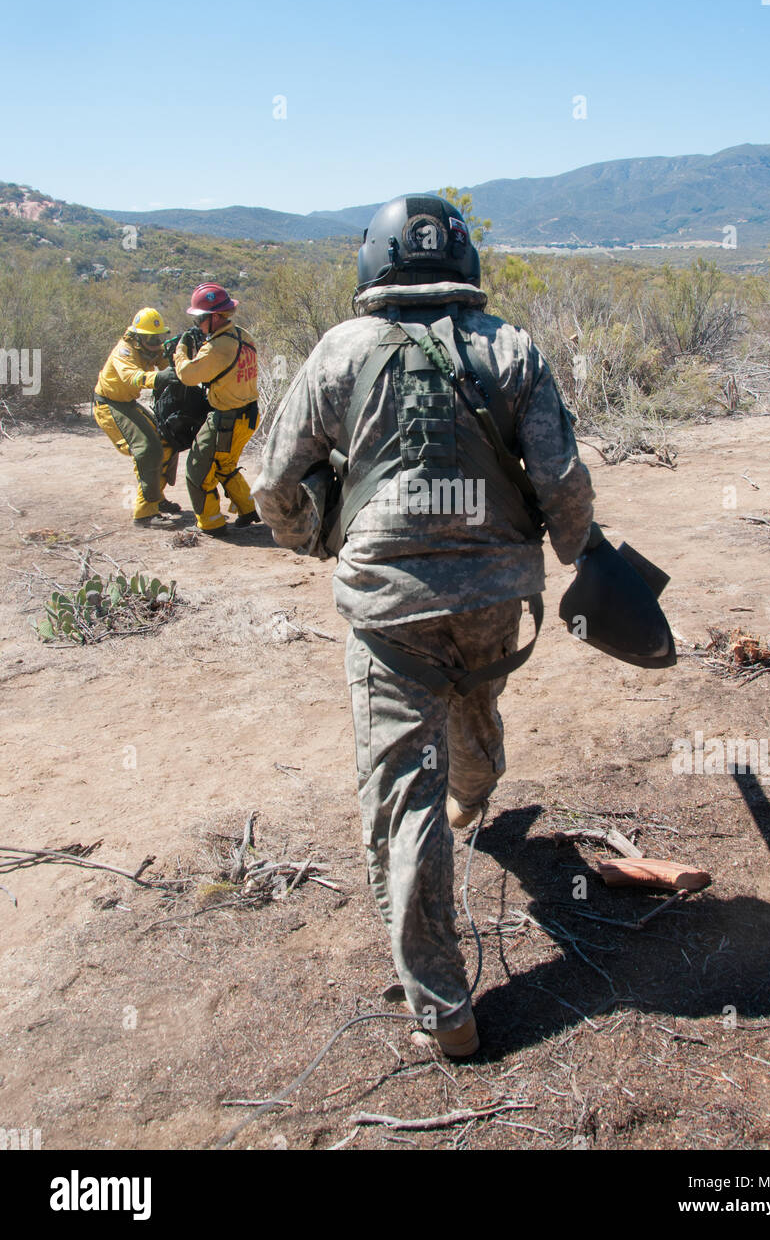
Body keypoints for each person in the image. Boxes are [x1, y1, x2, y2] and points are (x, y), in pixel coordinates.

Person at [253, 196, 595, 1057]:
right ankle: (475, 796)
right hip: (495, 600)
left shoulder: (340, 350)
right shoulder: (509, 345)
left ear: (374, 263)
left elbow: (274, 480)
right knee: (472, 702)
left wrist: (310, 538)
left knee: (401, 796)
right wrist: (573, 550)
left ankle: (445, 1012)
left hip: (388, 608)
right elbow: (559, 475)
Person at [173, 283, 261, 537]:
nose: (197, 324)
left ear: (214, 317)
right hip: (248, 416)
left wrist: (181, 350)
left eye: (200, 319)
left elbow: (188, 375)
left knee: (197, 470)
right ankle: (247, 507)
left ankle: (211, 523)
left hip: (227, 419)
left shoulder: (217, 347)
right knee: (224, 464)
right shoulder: (243, 335)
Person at [93, 307, 181, 527]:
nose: (156, 342)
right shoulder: (124, 351)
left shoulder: (150, 349)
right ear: (138, 336)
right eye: (151, 338)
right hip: (110, 405)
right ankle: (144, 514)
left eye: (159, 337)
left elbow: (167, 366)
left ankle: (156, 499)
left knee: (166, 441)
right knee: (147, 449)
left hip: (128, 403)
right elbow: (131, 377)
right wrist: (160, 377)